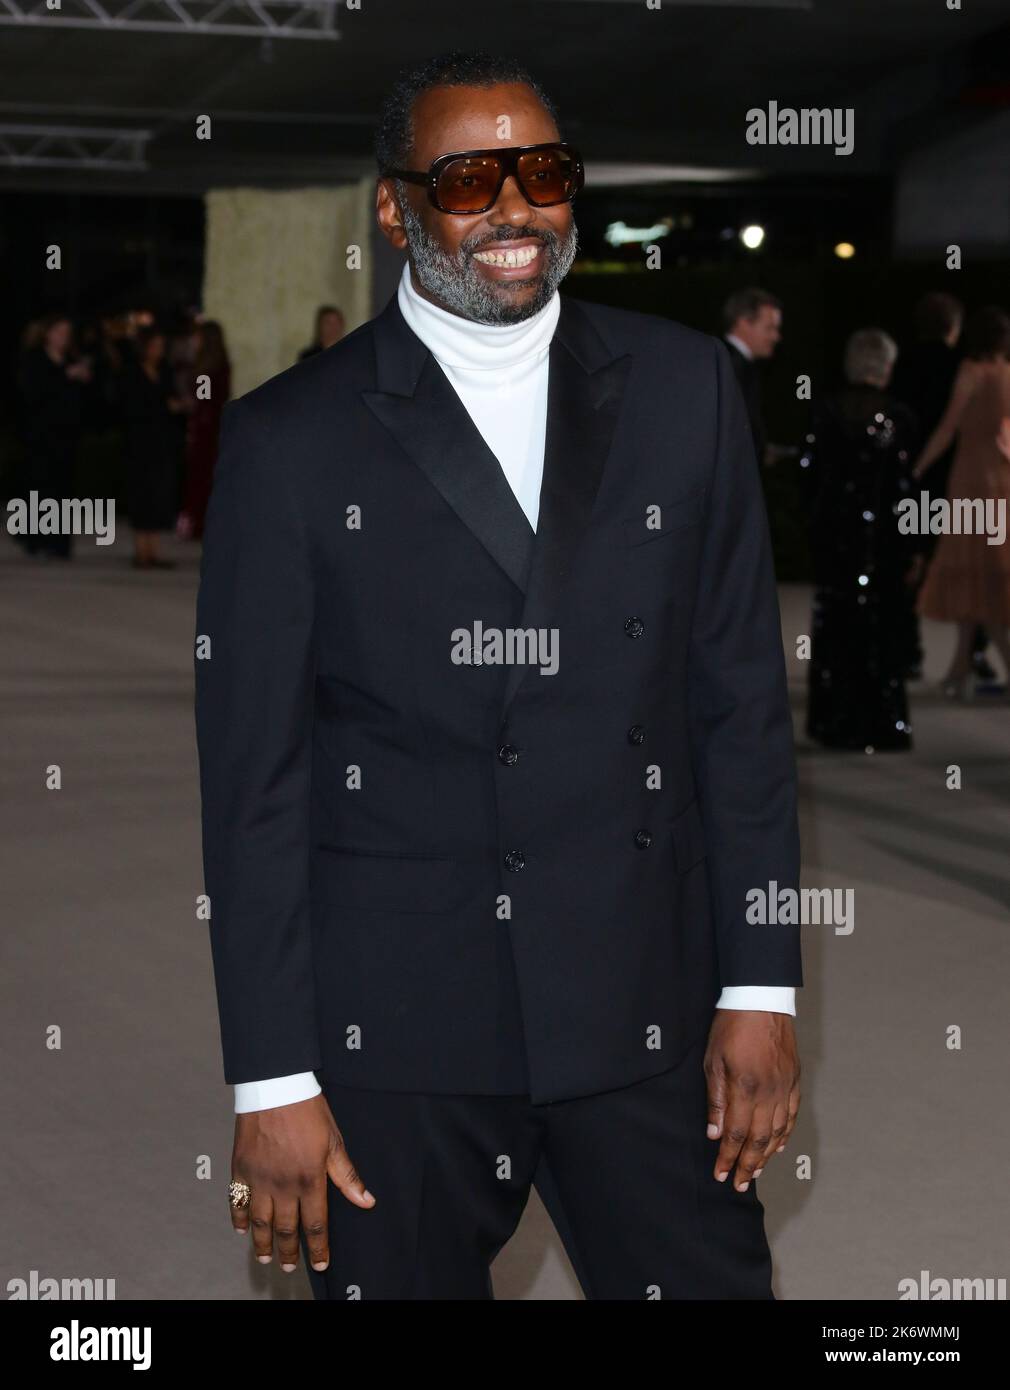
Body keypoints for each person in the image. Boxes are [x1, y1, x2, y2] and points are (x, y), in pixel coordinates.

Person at [195, 49, 802, 1302]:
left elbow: (739, 708)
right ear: (395, 206)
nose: (515, 207)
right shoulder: (287, 440)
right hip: (394, 1030)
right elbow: (256, 785)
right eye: (470, 179)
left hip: (641, 1007)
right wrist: (271, 1075)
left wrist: (759, 983)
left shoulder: (686, 388)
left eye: (543, 172)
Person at [805, 329, 918, 751]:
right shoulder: (899, 416)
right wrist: (913, 544)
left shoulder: (825, 412)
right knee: (881, 625)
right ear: (886, 367)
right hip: (884, 537)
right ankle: (881, 722)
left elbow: (811, 476)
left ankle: (835, 721)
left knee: (836, 623)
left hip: (837, 535)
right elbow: (905, 487)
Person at [914, 306, 1010, 695]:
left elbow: (948, 428)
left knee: (977, 574)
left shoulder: (972, 372)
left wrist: (917, 468)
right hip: (1002, 479)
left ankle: (977, 667)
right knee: (984, 573)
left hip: (973, 479)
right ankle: (959, 669)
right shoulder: (1007, 374)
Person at [16, 313, 91, 559]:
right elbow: (32, 394)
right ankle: (37, 539)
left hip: (66, 435)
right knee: (40, 487)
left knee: (63, 489)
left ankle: (59, 542)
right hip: (40, 435)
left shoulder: (71, 358)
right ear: (48, 334)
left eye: (67, 333)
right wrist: (65, 376)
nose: (64, 337)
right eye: (60, 332)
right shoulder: (35, 359)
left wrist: (82, 379)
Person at [120, 326, 185, 569]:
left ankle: (153, 551)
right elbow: (130, 406)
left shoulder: (164, 370)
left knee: (159, 494)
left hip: (161, 441)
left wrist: (177, 406)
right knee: (141, 494)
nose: (159, 351)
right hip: (139, 442)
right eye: (155, 346)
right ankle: (141, 550)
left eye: (161, 346)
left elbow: (171, 398)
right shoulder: (131, 372)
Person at [178, 321, 232, 540]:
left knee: (200, 476)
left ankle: (198, 522)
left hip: (205, 430)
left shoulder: (207, 370)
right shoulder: (221, 366)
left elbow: (202, 401)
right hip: (212, 427)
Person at [721, 287, 782, 465]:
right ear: (743, 324)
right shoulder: (731, 365)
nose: (776, 336)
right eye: (769, 328)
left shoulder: (734, 362)